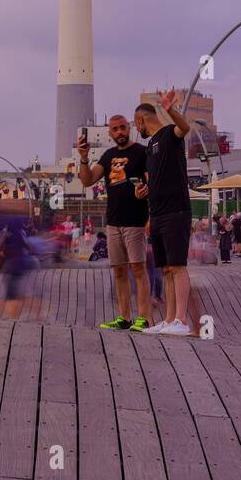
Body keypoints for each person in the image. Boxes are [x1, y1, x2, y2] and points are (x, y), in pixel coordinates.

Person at [79, 114, 152, 331]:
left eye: (122, 128)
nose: (119, 132)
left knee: (138, 268)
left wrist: (145, 193)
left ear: (128, 128)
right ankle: (124, 317)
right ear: (110, 133)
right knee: (119, 271)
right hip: (113, 222)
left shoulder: (141, 152)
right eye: (115, 129)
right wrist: (83, 158)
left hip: (135, 221)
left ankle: (144, 318)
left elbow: (151, 182)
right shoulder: (107, 155)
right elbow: (87, 180)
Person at [135, 90, 194, 336]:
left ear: (140, 120)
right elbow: (156, 180)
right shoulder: (150, 147)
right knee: (166, 268)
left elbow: (185, 127)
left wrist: (170, 110)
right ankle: (169, 319)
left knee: (177, 266)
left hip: (176, 210)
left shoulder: (170, 134)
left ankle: (181, 319)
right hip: (157, 213)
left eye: (134, 124)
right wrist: (144, 192)